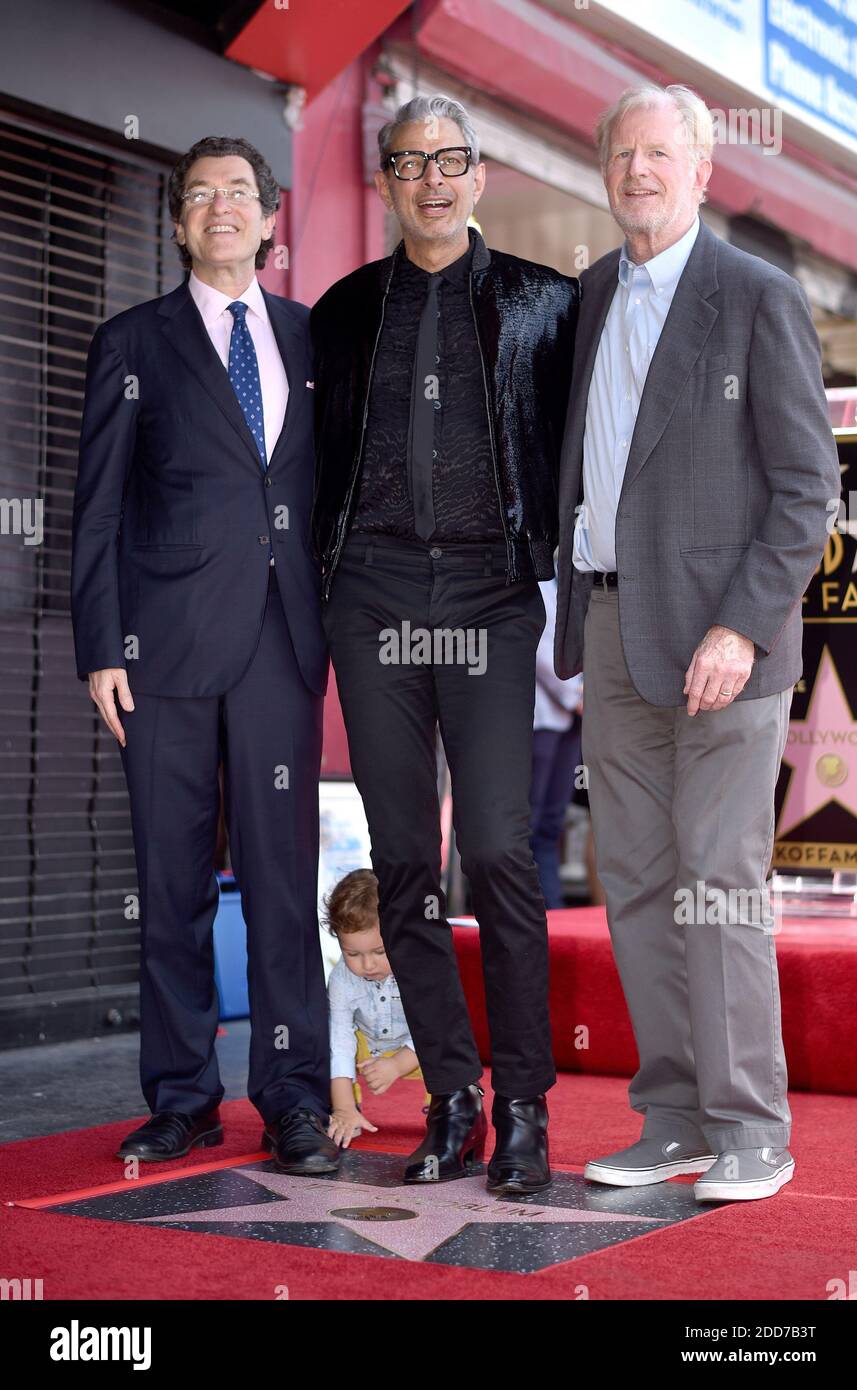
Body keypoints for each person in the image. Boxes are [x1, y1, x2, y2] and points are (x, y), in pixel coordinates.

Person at [553, 84, 840, 1201]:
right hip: (613, 623)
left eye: (658, 154)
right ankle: (670, 1117)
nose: (637, 170)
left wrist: (739, 622)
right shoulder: (587, 297)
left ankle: (750, 1132)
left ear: (702, 170)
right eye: (620, 153)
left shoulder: (754, 295)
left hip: (726, 639)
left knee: (716, 882)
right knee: (634, 879)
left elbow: (806, 487)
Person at [310, 95, 579, 1193]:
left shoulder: (545, 305)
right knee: (407, 858)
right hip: (370, 592)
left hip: (487, 594)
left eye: (451, 159)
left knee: (503, 853)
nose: (431, 176)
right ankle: (451, 1097)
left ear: (477, 176)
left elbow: (582, 455)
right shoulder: (337, 312)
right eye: (410, 160)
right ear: (384, 179)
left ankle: (522, 1107)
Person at [71, 136, 339, 1176]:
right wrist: (100, 644)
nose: (220, 207)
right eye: (199, 195)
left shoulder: (314, 341)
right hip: (162, 649)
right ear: (178, 224)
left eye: (240, 193)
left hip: (282, 642)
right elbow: (92, 510)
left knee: (283, 881)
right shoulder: (131, 341)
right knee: (170, 880)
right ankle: (180, 1096)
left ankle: (292, 1098)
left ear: (272, 219)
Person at [324, 869, 429, 1149]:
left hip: (417, 1047)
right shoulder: (341, 980)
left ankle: (449, 1108)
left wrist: (397, 1064)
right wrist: (344, 1107)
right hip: (367, 1048)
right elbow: (341, 1041)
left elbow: (433, 1026)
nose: (368, 965)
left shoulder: (420, 967)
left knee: (449, 1039)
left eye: (380, 952)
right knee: (322, 1046)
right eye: (353, 954)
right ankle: (344, 1107)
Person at [530, 576, 584, 909]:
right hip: (540, 718)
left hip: (572, 717)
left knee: (551, 825)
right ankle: (530, 914)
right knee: (529, 826)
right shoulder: (539, 581)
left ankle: (553, 912)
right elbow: (541, 647)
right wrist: (576, 695)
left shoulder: (577, 579)